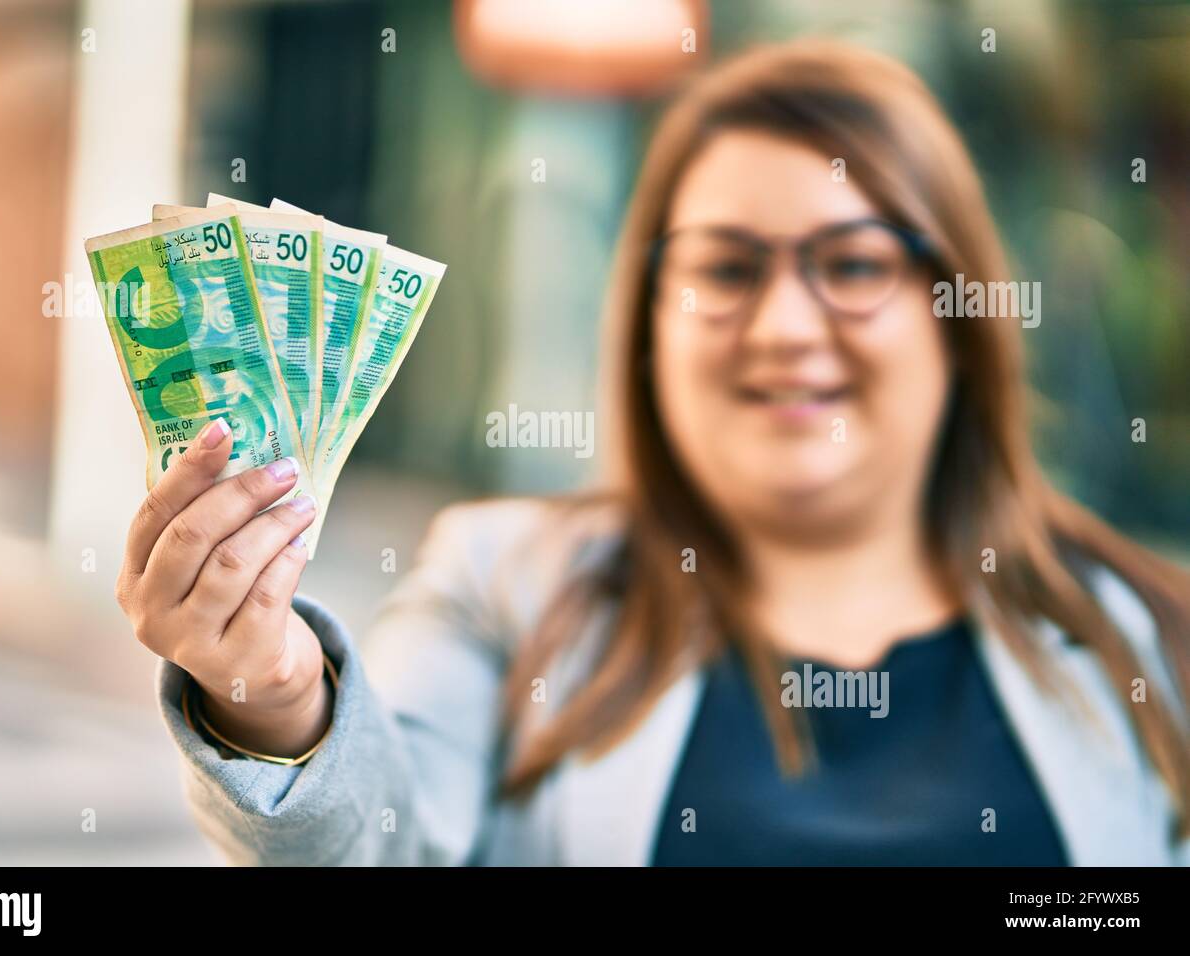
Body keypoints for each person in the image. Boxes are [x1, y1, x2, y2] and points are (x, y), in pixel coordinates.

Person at [114, 39, 1190, 865]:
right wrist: (271, 688)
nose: (783, 326)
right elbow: (388, 841)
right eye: (726, 269)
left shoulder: (1156, 638)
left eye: (853, 266)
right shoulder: (506, 583)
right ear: (645, 323)